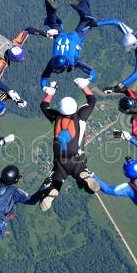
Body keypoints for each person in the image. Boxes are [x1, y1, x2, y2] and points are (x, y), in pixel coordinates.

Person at [37, 77, 100, 211]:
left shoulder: (55, 117)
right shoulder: (80, 116)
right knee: (81, 171)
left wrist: (51, 92)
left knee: (57, 180)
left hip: (60, 161)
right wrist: (83, 86)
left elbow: (43, 106)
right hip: (76, 158)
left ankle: (53, 192)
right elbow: (92, 101)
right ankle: (83, 175)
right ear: (75, 108)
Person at [33, 0, 99, 88]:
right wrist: (44, 87)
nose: (56, 71)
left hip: (76, 37)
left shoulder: (74, 60)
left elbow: (92, 72)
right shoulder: (53, 61)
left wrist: (88, 80)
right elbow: (44, 77)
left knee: (87, 21)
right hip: (59, 36)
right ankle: (51, 6)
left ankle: (80, 2)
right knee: (52, 23)